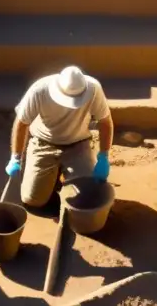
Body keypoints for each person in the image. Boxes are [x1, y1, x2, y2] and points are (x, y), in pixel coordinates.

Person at [6, 65, 114, 209]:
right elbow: (21, 122)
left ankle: (59, 174)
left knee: (88, 193)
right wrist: (16, 157)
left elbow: (105, 121)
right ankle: (52, 177)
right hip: (44, 143)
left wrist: (104, 157)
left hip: (78, 143)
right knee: (32, 200)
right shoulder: (39, 90)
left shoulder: (94, 89)